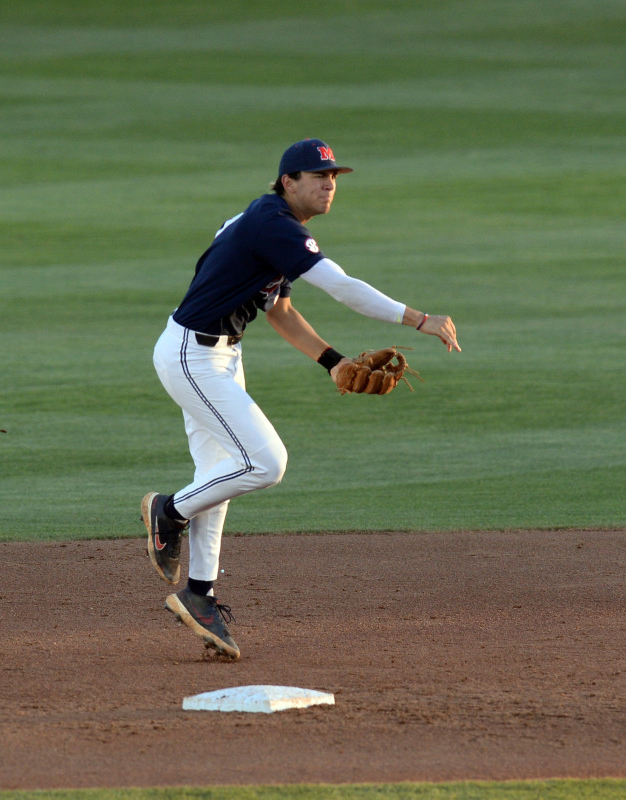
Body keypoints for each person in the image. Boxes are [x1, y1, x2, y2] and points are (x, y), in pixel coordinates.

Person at [141, 138, 460, 660]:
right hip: (191, 357)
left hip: (218, 358)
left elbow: (280, 313)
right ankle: (169, 510)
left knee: (220, 472)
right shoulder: (274, 225)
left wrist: (332, 361)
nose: (329, 184)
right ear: (288, 182)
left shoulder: (270, 225)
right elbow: (342, 287)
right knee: (266, 463)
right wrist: (418, 319)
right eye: (317, 176)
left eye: (333, 176)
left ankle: (200, 595)